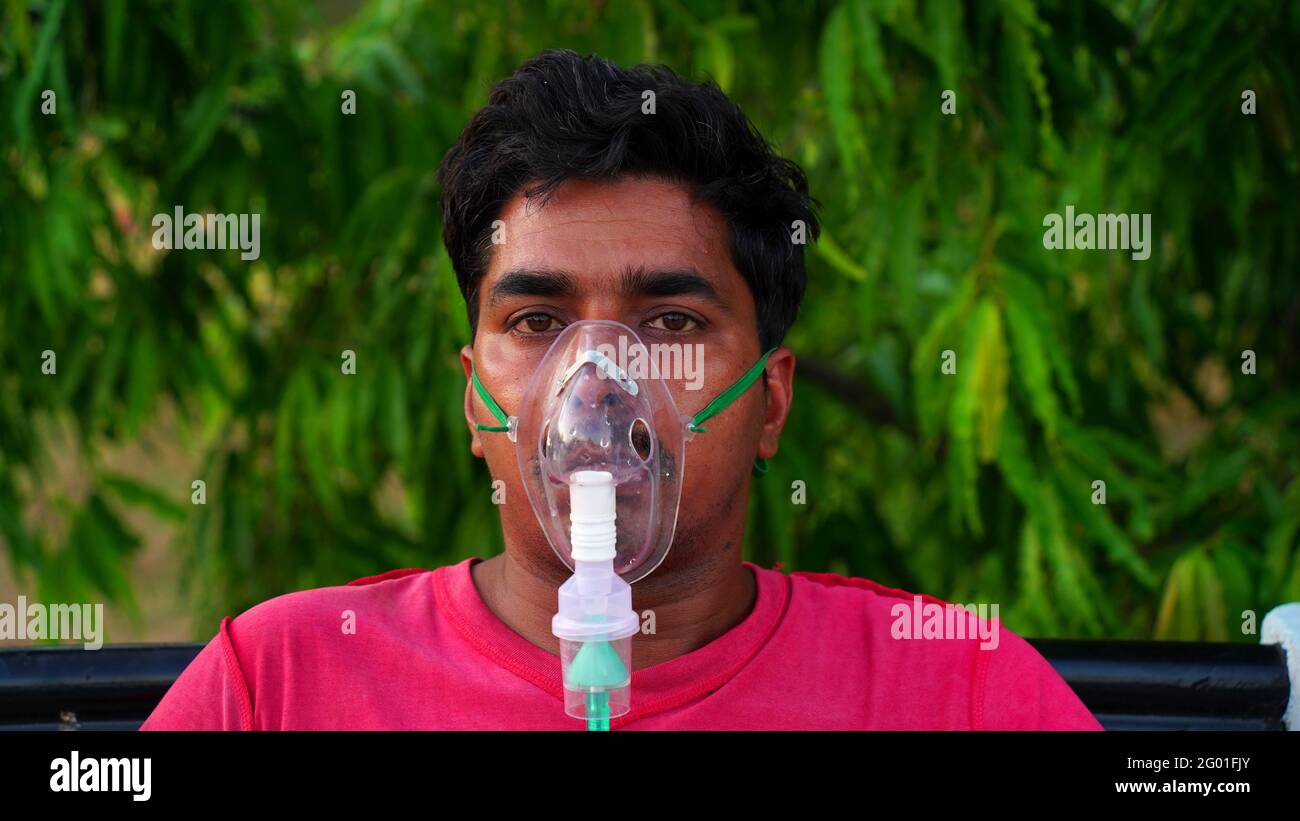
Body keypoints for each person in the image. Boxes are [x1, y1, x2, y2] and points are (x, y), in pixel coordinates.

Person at [141, 49, 1101, 730]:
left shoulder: (953, 689)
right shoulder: (277, 686)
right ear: (476, 400)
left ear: (770, 401)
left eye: (672, 323)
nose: (597, 386)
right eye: (538, 322)